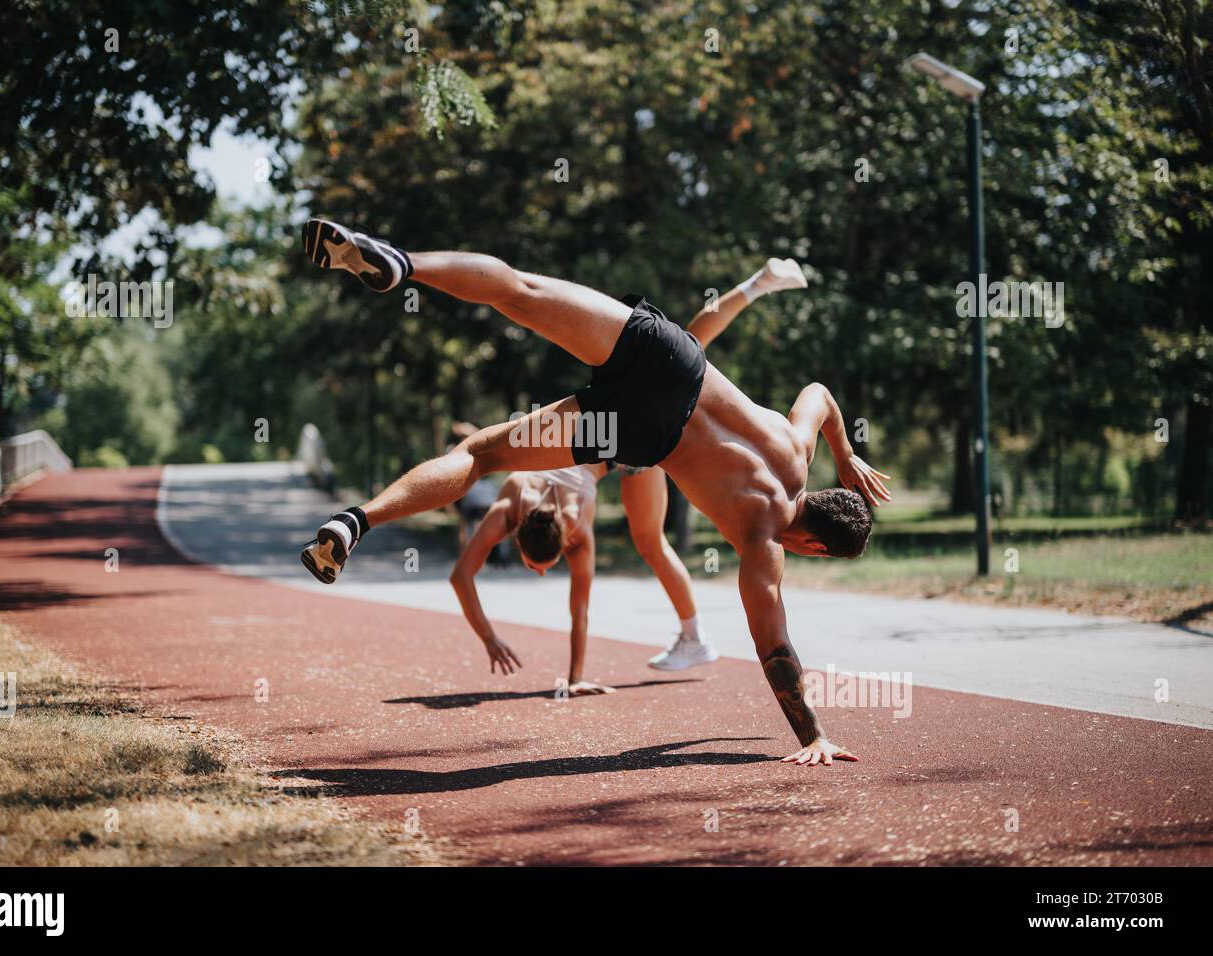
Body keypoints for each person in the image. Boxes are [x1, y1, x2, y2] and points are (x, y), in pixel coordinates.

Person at [298, 218, 891, 766]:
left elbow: (819, 392)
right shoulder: (764, 543)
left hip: (673, 360)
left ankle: (403, 263)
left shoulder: (796, 448)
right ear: (814, 545)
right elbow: (776, 650)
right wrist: (811, 733)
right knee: (481, 455)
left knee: (520, 292)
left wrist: (845, 455)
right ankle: (356, 521)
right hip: (638, 430)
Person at [447, 262, 805, 693]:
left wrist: (494, 641)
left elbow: (575, 607)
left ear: (556, 541)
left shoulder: (568, 530)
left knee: (651, 542)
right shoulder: (522, 509)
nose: (540, 572)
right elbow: (466, 577)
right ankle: (754, 285)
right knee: (692, 345)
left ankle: (695, 637)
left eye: (536, 565)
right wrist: (573, 677)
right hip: (608, 433)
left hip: (625, 442)